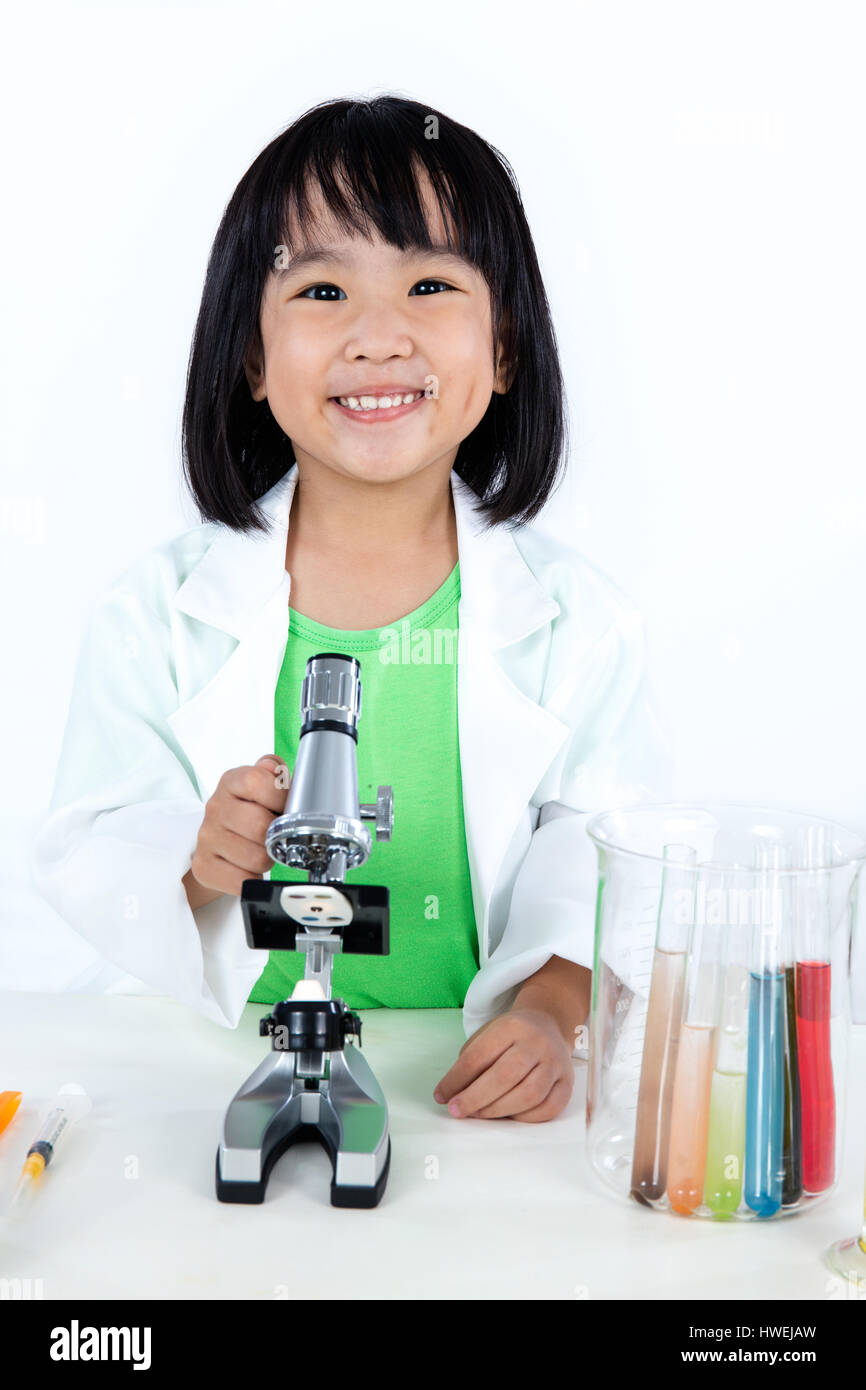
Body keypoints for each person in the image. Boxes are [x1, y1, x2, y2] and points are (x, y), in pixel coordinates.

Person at [32, 95, 672, 1123]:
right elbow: (90, 848)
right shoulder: (155, 615)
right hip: (208, 1074)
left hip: (454, 1094)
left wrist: (551, 1021)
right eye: (322, 288)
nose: (379, 336)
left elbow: (607, 875)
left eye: (429, 283)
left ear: (503, 347)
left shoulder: (577, 627)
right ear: (250, 357)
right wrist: (198, 863)